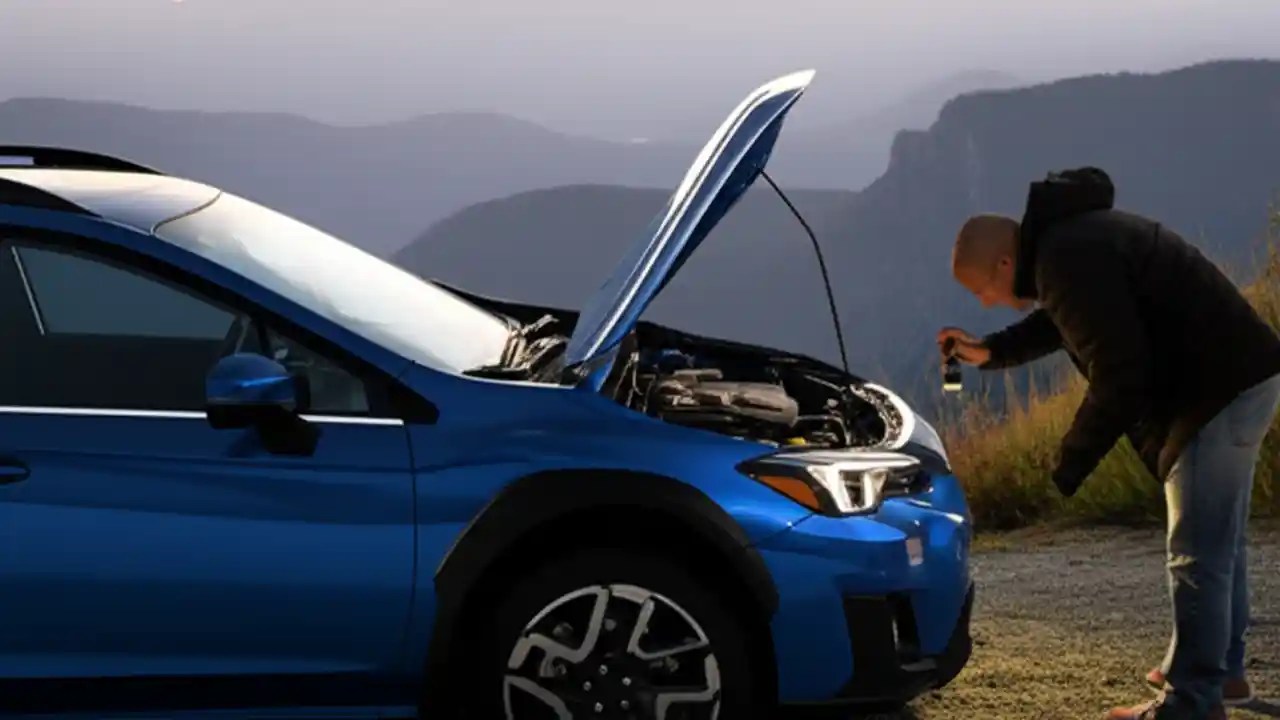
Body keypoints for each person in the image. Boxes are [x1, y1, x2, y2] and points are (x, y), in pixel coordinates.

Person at [939, 167, 1280, 720]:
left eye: (983, 290)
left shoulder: (1064, 259)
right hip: (1245, 376)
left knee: (1197, 555)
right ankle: (1224, 677)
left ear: (1004, 263)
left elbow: (1121, 374)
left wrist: (1070, 461)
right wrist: (991, 352)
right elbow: (1064, 320)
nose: (987, 303)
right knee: (1219, 544)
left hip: (1214, 391)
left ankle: (1191, 701)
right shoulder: (1070, 245)